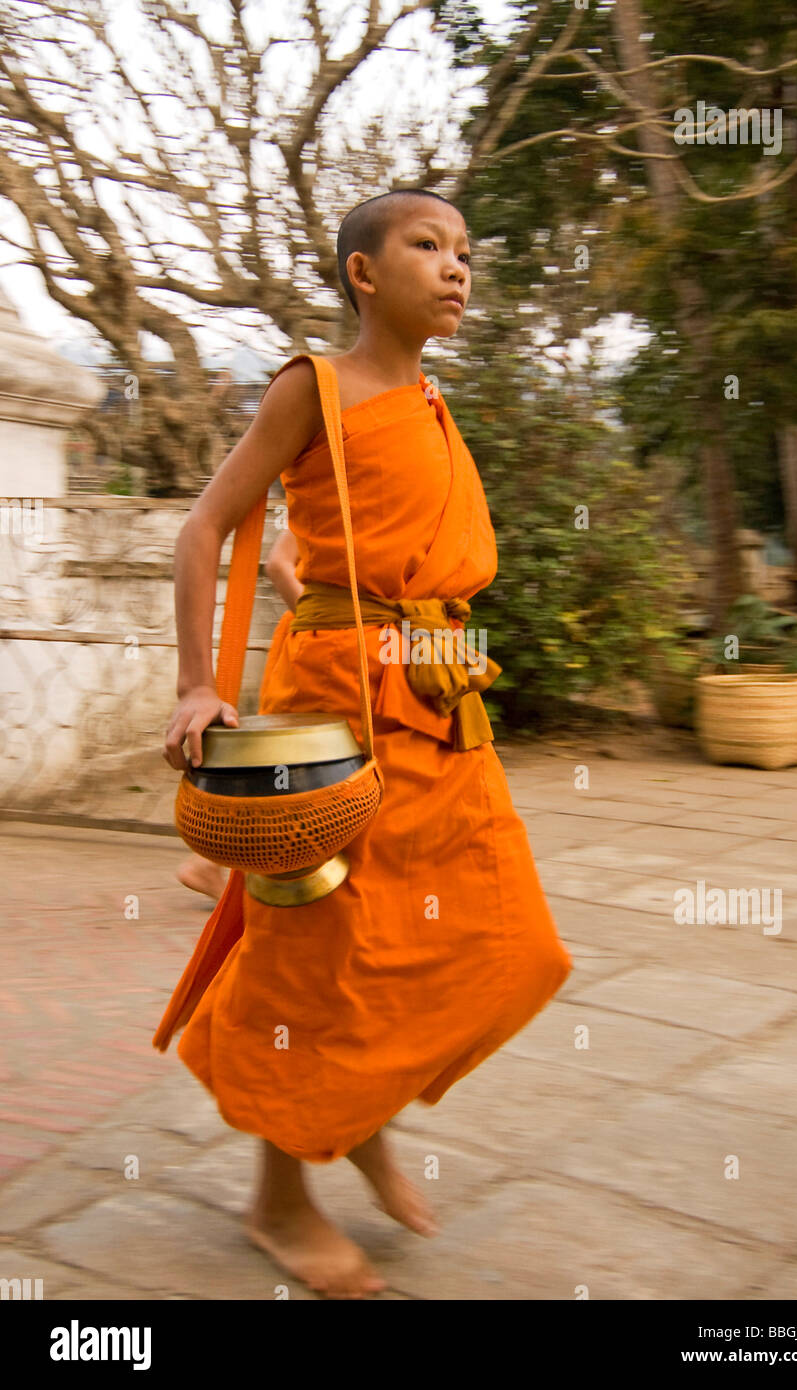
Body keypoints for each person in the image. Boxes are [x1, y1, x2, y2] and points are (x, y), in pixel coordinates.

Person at [158, 188, 572, 1299]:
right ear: (362, 274)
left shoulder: (430, 402)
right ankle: (279, 1200)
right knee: (322, 959)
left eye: (466, 252)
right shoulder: (316, 387)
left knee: (502, 941)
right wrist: (199, 683)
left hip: (440, 703)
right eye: (427, 246)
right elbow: (205, 525)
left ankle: (357, 1109)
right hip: (333, 710)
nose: (455, 267)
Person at [173, 528, 304, 901]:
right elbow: (279, 564)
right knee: (287, 763)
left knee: (287, 764)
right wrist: (322, 623)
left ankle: (213, 864)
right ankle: (212, 864)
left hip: (334, 640)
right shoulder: (327, 489)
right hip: (314, 640)